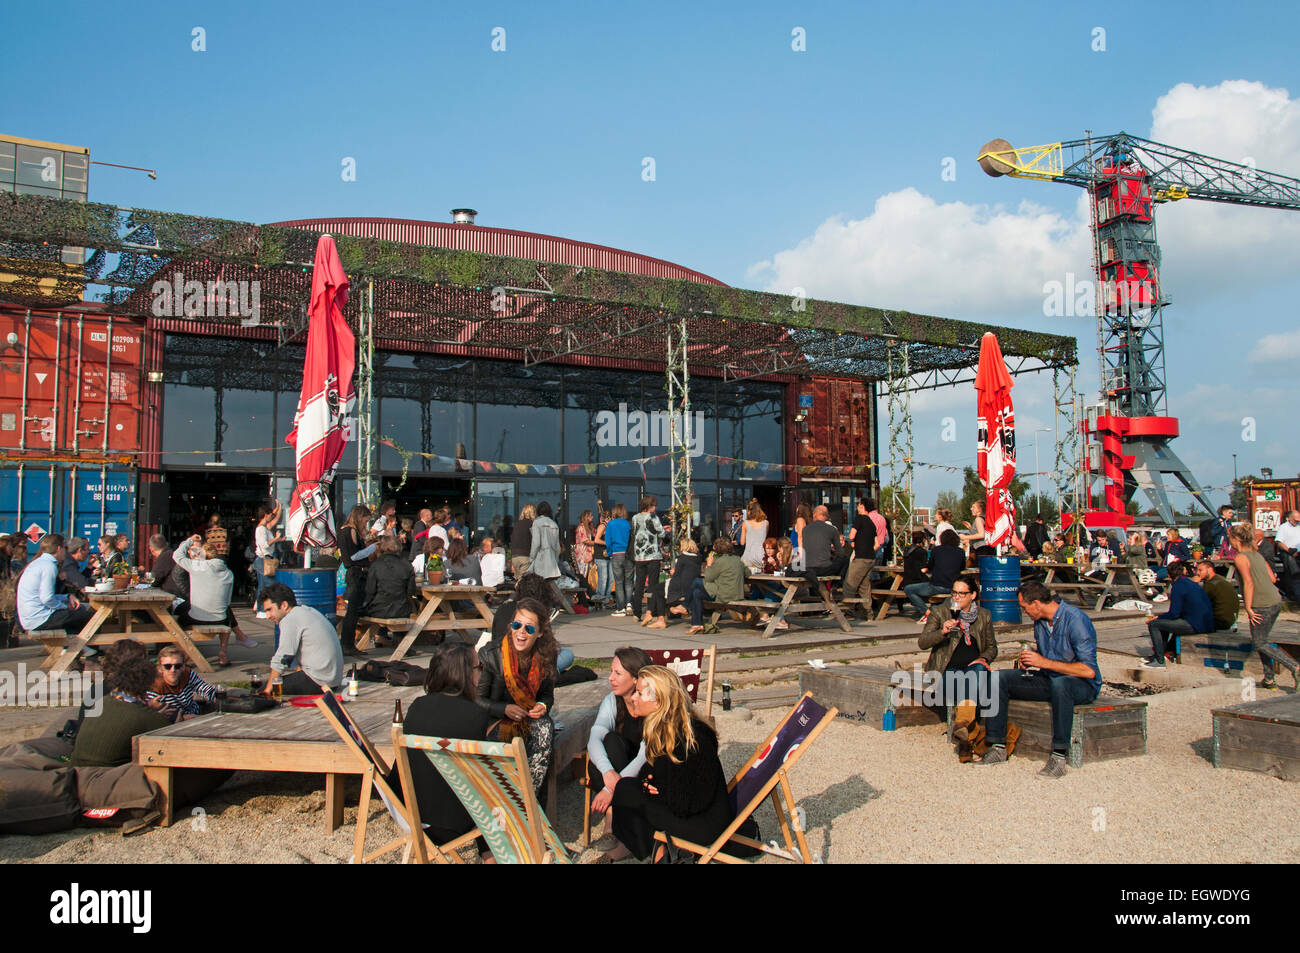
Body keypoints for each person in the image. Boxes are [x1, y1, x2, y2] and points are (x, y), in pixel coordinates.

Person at [609, 665, 756, 862]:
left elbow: (684, 803)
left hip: (703, 824)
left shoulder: (689, 741)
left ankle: (659, 854)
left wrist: (654, 789)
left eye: (640, 693)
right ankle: (658, 851)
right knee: (626, 788)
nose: (633, 697)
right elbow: (649, 772)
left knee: (627, 795)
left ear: (659, 701)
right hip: (688, 812)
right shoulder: (668, 730)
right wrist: (648, 784)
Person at [979, 580, 1102, 779]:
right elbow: (1052, 656)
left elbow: (1088, 671)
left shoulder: (1076, 620)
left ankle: (1059, 756)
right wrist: (1032, 658)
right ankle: (997, 745)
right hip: (1050, 678)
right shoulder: (1041, 622)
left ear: (1036, 603)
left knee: (1061, 684)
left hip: (1080, 684)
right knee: (998, 678)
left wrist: (1042, 661)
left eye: (1025, 608)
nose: (1024, 612)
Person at [394, 641, 495, 860]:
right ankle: (490, 855)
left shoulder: (417, 707)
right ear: (465, 674)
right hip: (456, 822)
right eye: (479, 667)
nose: (482, 672)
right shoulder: (477, 716)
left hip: (413, 814)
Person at [477, 597, 557, 793]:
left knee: (544, 728)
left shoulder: (546, 656)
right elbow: (476, 699)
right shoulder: (492, 654)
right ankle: (507, 797)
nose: (521, 632)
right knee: (528, 737)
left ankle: (528, 799)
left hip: (529, 718)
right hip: (495, 721)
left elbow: (547, 695)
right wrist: (504, 709)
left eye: (529, 628)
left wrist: (543, 706)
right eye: (517, 625)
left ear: (539, 633)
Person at [918, 579, 996, 761]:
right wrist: (942, 633)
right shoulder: (940, 612)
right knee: (967, 683)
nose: (957, 597)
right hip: (945, 670)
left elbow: (992, 647)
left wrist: (984, 658)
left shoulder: (984, 615)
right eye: (954, 593)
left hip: (973, 669)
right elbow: (922, 642)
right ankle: (969, 732)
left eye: (962, 594)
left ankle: (963, 733)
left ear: (973, 595)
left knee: (975, 672)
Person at [586, 645, 654, 853]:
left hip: (646, 771)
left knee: (609, 752)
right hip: (619, 769)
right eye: (611, 671)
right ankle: (616, 817)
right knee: (609, 744)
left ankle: (612, 820)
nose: (610, 678)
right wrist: (608, 773)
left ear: (635, 679)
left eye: (617, 673)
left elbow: (644, 756)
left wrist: (609, 789)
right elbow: (594, 738)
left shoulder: (650, 703)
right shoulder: (612, 701)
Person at [1230, 522, 1298, 691]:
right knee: (1262, 640)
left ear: (1236, 540)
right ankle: (1269, 678)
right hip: (1275, 599)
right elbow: (1273, 578)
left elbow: (1248, 583)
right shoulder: (1257, 554)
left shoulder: (1241, 557)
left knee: (1259, 643)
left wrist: (1249, 607)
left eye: (1230, 538)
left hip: (1261, 603)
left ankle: (1295, 668)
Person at [172, 534, 257, 666]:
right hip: (221, 619)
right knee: (224, 611)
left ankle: (186, 654)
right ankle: (223, 652)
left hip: (196, 617)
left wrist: (190, 541)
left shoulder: (197, 567)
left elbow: (177, 556)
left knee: (175, 621)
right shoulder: (228, 572)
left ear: (203, 554)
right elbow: (227, 602)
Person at [258, 582, 345, 694]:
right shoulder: (307, 610)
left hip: (319, 682)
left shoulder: (290, 619)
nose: (268, 616)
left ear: (284, 605)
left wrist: (267, 692)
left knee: (267, 687)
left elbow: (282, 658)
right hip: (333, 680)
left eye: (269, 610)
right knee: (275, 683)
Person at [16, 534, 94, 634]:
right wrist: (65, 607)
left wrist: (66, 597)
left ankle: (76, 648)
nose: (65, 553)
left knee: (75, 622)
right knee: (90, 616)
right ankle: (88, 648)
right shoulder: (49, 566)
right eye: (64, 549)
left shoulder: (37, 562)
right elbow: (47, 598)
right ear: (58, 549)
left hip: (29, 619)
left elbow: (43, 596)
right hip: (40, 619)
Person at [1142, 561, 1213, 669]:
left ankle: (1159, 661)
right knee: (1162, 624)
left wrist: (1159, 617)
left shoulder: (1178, 586)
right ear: (1182, 572)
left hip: (1195, 624)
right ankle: (1159, 654)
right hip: (1205, 622)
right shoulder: (1188, 583)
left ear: (1169, 575)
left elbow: (1174, 613)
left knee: (1154, 624)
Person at [685, 537, 745, 635]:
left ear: (718, 549)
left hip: (723, 594)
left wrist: (709, 565)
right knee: (697, 593)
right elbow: (748, 573)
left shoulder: (719, 561)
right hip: (736, 593)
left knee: (696, 581)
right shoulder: (738, 559)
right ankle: (697, 624)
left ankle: (684, 606)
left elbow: (708, 578)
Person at [146, 644, 219, 720]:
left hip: (195, 712)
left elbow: (205, 690)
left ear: (183, 667)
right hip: (173, 720)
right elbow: (155, 711)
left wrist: (219, 699)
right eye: (167, 666)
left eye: (177, 666)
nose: (173, 670)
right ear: (160, 668)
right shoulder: (155, 684)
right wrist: (183, 717)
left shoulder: (187, 674)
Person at [338, 505, 374, 657]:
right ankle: (347, 644)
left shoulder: (343, 530)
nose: (365, 524)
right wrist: (371, 549)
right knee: (352, 612)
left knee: (352, 612)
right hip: (356, 573)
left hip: (352, 573)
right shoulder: (351, 531)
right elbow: (353, 557)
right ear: (360, 517)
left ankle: (347, 643)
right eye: (365, 520)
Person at [904, 529, 965, 615]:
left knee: (908, 589)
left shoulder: (936, 550)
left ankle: (926, 611)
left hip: (937, 585)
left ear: (942, 539)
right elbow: (962, 567)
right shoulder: (961, 552)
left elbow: (930, 566)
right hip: (953, 587)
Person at [363, 535, 418, 620]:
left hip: (378, 609)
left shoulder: (376, 564)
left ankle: (381, 633)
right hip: (402, 610)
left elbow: (370, 591)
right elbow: (411, 591)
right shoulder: (407, 564)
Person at [631, 496, 667, 623]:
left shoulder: (635, 517)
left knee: (639, 585)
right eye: (654, 505)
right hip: (652, 555)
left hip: (639, 555)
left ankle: (636, 612)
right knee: (652, 585)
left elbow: (635, 533)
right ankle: (650, 610)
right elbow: (661, 533)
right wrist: (666, 531)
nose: (655, 508)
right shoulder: (653, 517)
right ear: (649, 506)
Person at [801, 505, 848, 594]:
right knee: (845, 559)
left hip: (808, 568)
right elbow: (840, 553)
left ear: (814, 515)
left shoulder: (805, 529)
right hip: (824, 569)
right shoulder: (832, 529)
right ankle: (836, 585)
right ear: (826, 516)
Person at [844, 497, 878, 616]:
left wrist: (856, 543)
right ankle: (869, 612)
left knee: (849, 583)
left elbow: (852, 536)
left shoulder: (859, 519)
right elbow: (877, 543)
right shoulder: (871, 522)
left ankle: (849, 610)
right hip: (871, 558)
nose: (857, 507)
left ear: (862, 506)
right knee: (864, 586)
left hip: (861, 558)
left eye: (858, 505)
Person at [253, 500, 285, 615]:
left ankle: (260, 608)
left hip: (264, 559)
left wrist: (278, 507)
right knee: (267, 585)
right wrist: (276, 538)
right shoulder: (261, 529)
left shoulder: (264, 528)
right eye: (269, 514)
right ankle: (262, 609)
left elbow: (274, 516)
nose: (271, 516)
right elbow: (265, 545)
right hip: (264, 559)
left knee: (263, 585)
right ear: (265, 515)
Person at [660, 538, 702, 624]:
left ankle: (659, 617)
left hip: (682, 586)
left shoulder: (682, 558)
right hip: (693, 585)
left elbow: (677, 574)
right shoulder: (699, 557)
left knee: (658, 589)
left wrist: (673, 572)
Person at [1194, 559, 1239, 632]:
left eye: (1200, 570)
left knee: (1180, 625)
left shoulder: (1211, 584)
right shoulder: (1220, 579)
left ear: (1210, 570)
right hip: (1231, 620)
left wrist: (1194, 584)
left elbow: (1197, 602)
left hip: (1220, 622)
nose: (1197, 573)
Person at [605, 503, 633, 616]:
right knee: (629, 581)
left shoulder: (611, 524)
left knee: (619, 582)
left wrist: (610, 553)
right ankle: (629, 604)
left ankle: (621, 607)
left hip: (616, 553)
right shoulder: (628, 524)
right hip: (628, 554)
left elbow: (608, 541)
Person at [147, 534, 189, 606]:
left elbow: (155, 579)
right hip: (183, 596)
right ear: (166, 544)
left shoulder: (165, 556)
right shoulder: (175, 554)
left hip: (175, 598)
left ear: (151, 549)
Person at [529, 501, 562, 587]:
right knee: (550, 588)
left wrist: (531, 558)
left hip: (540, 559)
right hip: (551, 560)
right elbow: (557, 547)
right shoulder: (554, 524)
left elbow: (536, 543)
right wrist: (556, 559)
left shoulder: (537, 522)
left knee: (538, 586)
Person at [1274, 510, 1300, 602]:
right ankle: (1294, 589)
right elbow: (1279, 542)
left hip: (1298, 551)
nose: (1297, 522)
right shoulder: (1284, 527)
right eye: (1296, 520)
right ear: (1290, 518)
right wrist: (1289, 550)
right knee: (1290, 561)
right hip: (1287, 551)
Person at [738, 500, 768, 571]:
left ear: (749, 511)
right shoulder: (766, 523)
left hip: (748, 555)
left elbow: (742, 542)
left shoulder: (745, 523)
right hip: (761, 555)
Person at [510, 504, 535, 580]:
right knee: (524, 582)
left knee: (518, 580)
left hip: (514, 556)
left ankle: (517, 591)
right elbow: (535, 540)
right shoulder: (532, 524)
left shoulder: (517, 524)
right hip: (525, 556)